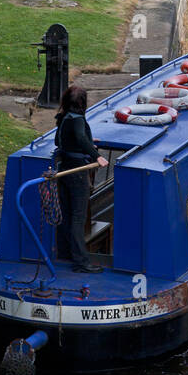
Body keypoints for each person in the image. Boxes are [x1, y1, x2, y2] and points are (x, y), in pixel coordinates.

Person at [54, 85, 108, 272]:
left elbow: (60, 141)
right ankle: (81, 262)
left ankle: (65, 252)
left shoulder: (63, 118)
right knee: (78, 217)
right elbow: (79, 136)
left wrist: (87, 142)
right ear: (83, 103)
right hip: (77, 171)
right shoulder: (77, 119)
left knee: (66, 215)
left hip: (64, 168)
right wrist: (96, 155)